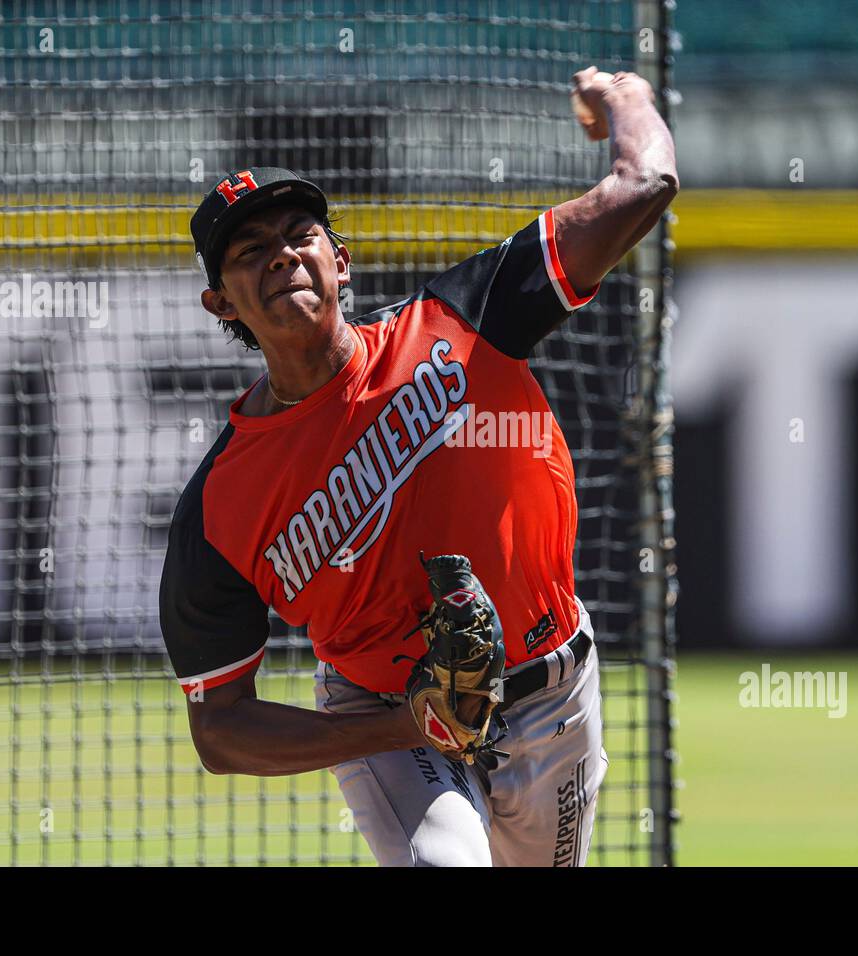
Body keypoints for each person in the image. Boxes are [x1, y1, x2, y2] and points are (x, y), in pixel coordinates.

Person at [159, 66, 678, 866]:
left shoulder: (461, 319)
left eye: (301, 235)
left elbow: (645, 184)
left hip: (554, 697)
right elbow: (221, 729)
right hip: (388, 714)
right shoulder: (222, 503)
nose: (283, 257)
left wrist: (625, 98)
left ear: (341, 259)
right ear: (220, 302)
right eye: (250, 251)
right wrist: (410, 725)